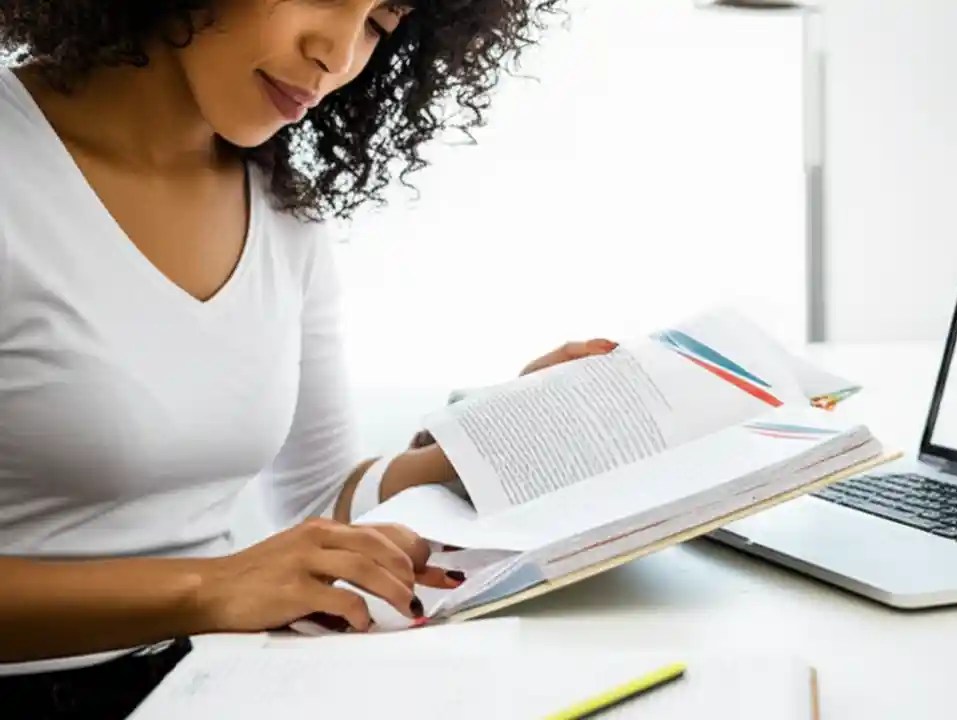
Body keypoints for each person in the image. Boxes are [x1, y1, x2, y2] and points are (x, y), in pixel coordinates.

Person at [0, 1, 615, 716]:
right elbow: (233, 581)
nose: (338, 55)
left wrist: (486, 440)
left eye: (380, 23)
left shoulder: (281, 207)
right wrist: (211, 588)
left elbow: (319, 498)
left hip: (205, 682)